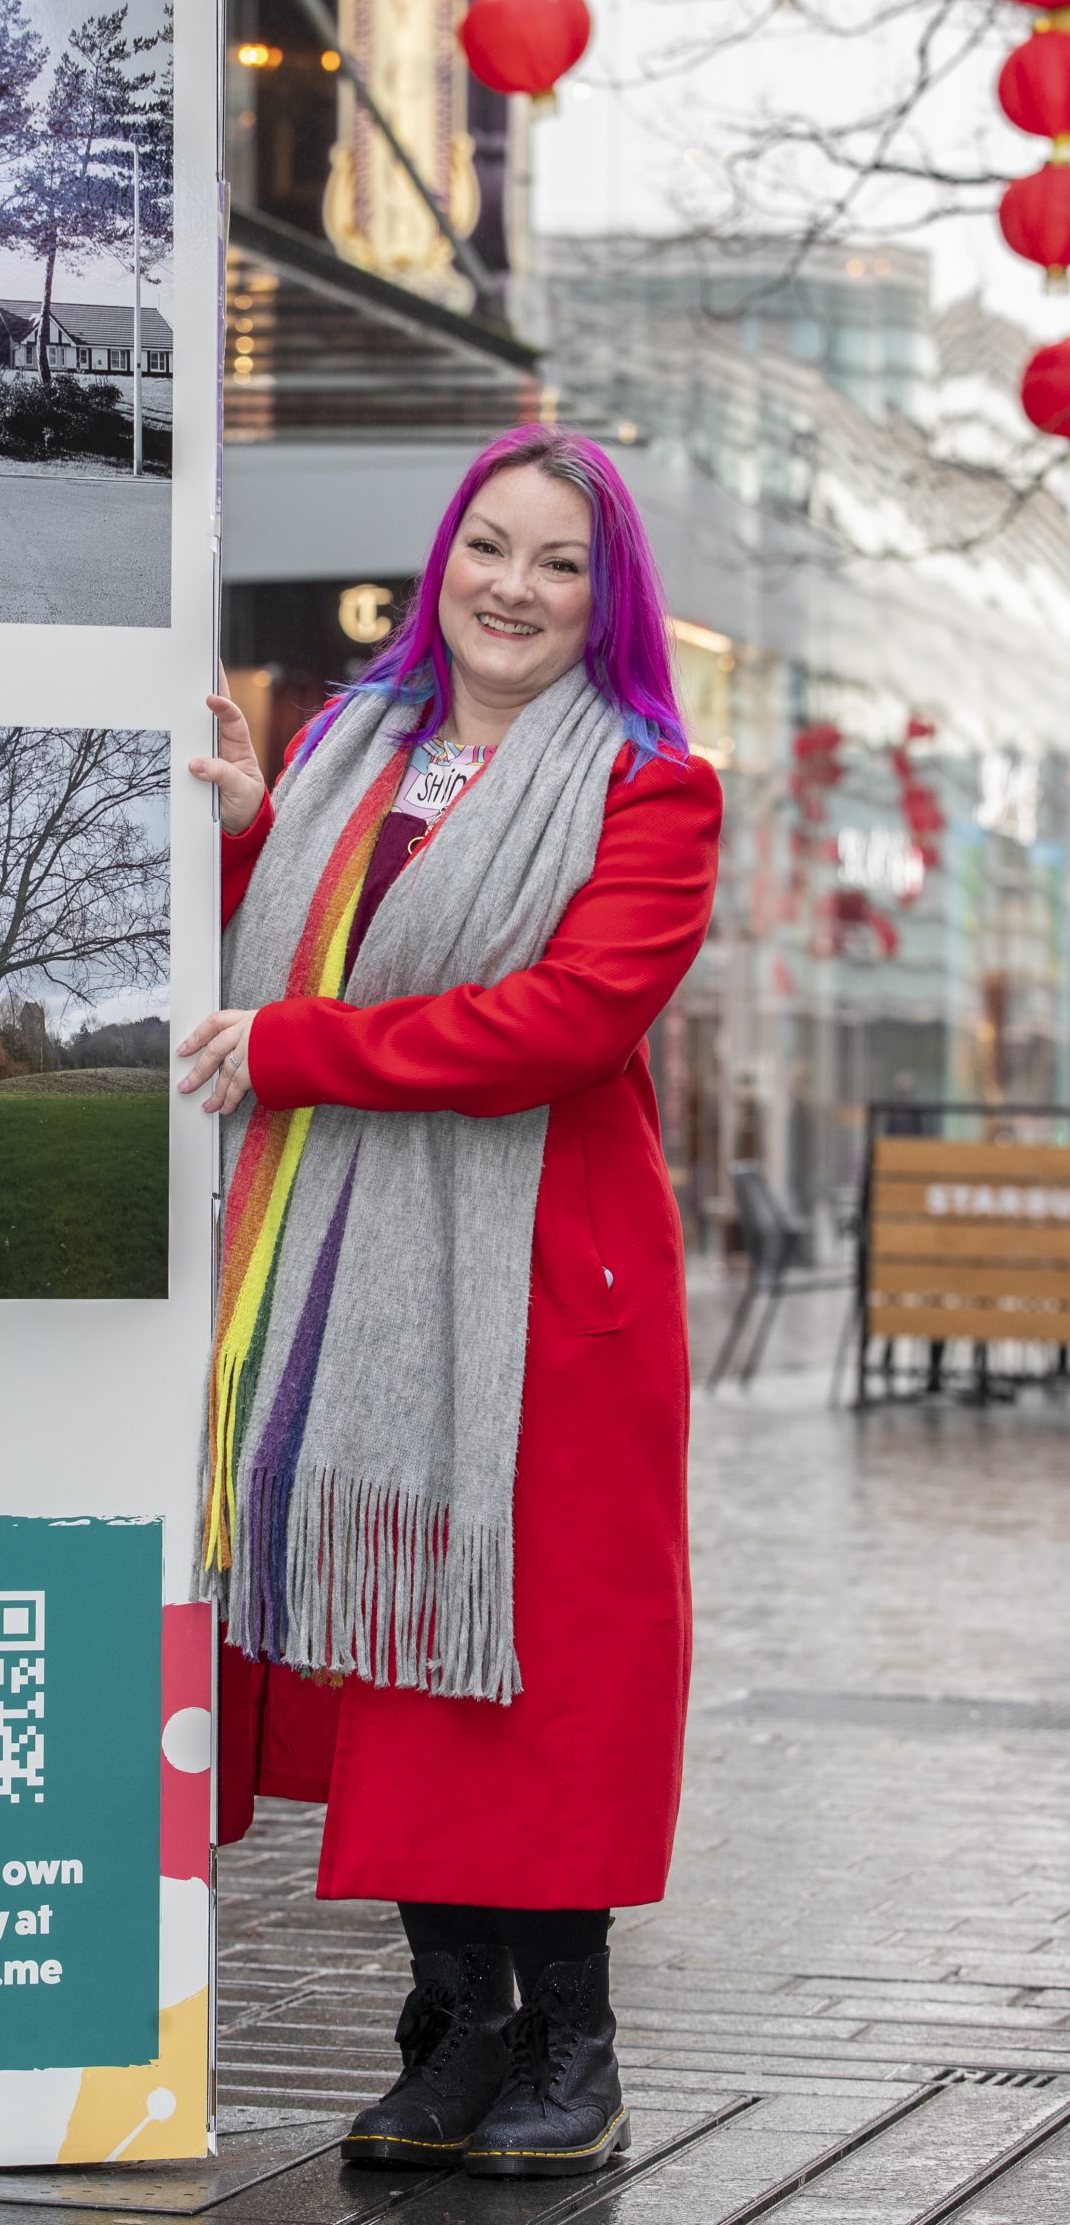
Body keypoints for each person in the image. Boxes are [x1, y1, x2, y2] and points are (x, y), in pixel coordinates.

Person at [177, 427, 721, 2181]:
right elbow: (280, 968)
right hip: (352, 1267)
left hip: (551, 1298)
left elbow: (564, 1023)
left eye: (560, 563)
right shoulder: (352, 746)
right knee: (401, 1656)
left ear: (604, 597)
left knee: (533, 1673)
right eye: (489, 546)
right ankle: (456, 2026)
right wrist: (251, 837)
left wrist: (300, 1051)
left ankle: (573, 2043)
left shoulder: (651, 788)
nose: (512, 587)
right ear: (442, 559)